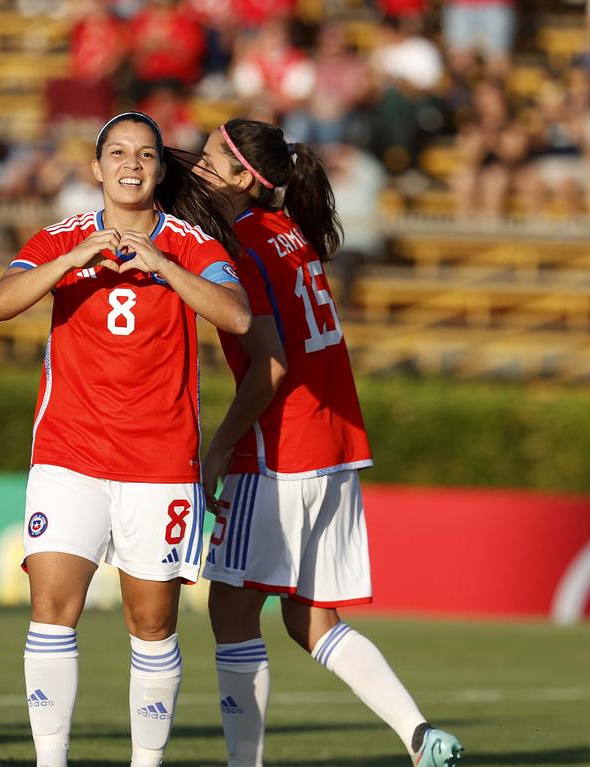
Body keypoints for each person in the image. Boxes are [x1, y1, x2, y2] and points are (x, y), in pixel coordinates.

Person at [0, 111, 250, 767]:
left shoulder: (189, 243)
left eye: (146, 154)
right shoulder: (61, 236)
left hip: (159, 462)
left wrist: (163, 266)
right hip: (68, 454)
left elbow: (238, 315)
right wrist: (71, 261)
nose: (132, 164)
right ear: (96, 168)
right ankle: (50, 760)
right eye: (119, 153)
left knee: (152, 623)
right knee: (51, 607)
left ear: (159, 169)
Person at [193, 118, 463, 767]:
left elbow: (270, 367)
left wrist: (218, 447)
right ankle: (421, 736)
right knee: (310, 620)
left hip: (282, 450)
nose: (198, 168)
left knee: (231, 611)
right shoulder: (286, 231)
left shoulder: (245, 241)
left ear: (243, 179)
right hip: (333, 448)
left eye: (209, 160)